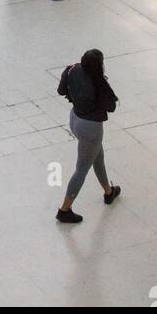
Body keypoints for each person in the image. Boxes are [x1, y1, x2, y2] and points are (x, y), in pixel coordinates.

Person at [55, 49, 120, 223]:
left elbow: (61, 91)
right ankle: (64, 209)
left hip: (75, 119)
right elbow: (111, 106)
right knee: (82, 169)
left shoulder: (72, 69)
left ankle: (108, 192)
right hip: (91, 128)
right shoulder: (99, 82)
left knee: (98, 156)